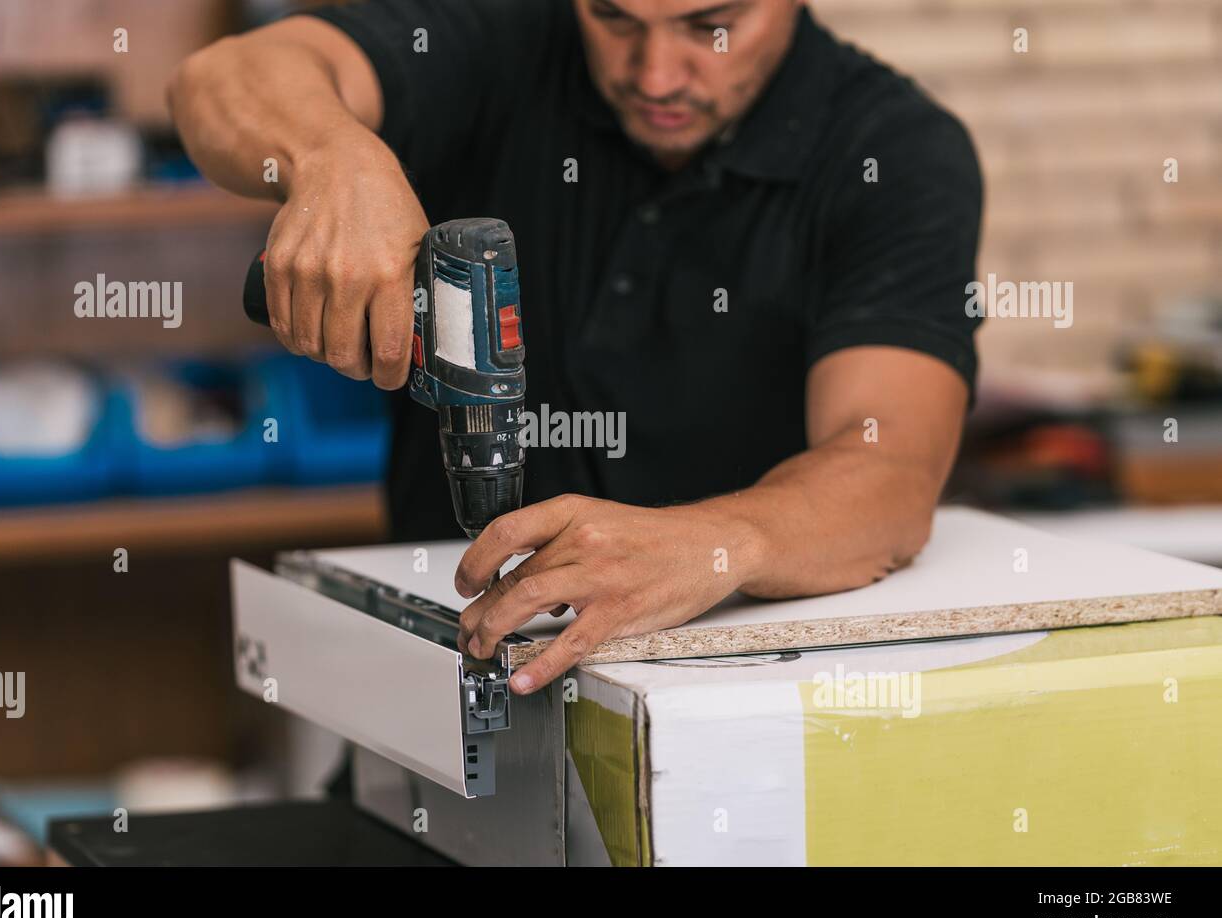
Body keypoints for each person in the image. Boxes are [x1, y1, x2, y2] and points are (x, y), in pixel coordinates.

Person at [170, 0, 983, 695]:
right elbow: (216, 79)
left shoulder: (896, 155)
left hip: (733, 706)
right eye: (614, 18)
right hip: (440, 680)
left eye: (712, 26)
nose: (656, 74)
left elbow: (888, 468)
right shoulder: (500, 40)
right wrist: (332, 160)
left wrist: (716, 543)